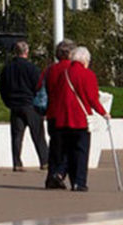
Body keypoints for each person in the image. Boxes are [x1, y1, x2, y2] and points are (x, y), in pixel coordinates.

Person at [43, 41, 104, 192]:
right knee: (80, 152)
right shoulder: (86, 74)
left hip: (59, 116)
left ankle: (57, 174)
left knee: (61, 150)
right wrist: (104, 112)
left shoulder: (58, 72)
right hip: (80, 119)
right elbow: (92, 98)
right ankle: (78, 182)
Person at [0, 40, 47, 172]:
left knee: (17, 136)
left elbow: (2, 88)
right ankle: (44, 161)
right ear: (26, 52)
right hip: (30, 104)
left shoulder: (7, 69)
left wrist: (8, 102)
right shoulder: (32, 68)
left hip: (14, 105)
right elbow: (39, 86)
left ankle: (17, 162)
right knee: (38, 135)